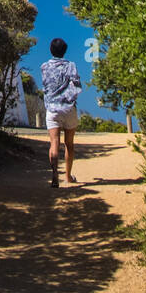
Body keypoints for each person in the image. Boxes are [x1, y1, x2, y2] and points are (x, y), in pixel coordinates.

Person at [41, 38, 81, 188]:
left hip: (52, 109)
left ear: (51, 50)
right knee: (69, 144)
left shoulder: (44, 67)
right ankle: (68, 176)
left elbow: (46, 85)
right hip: (69, 108)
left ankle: (54, 176)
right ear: (64, 50)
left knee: (54, 143)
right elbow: (76, 84)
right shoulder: (71, 66)